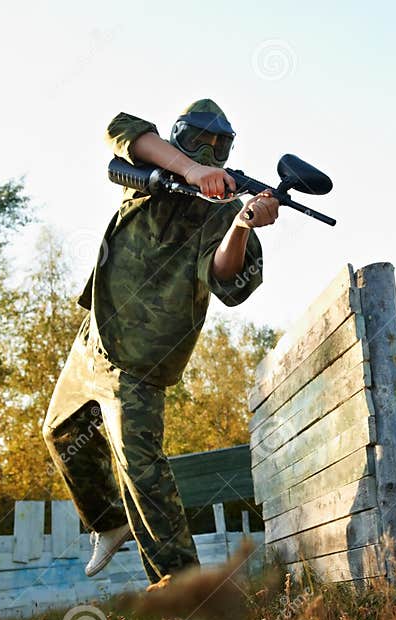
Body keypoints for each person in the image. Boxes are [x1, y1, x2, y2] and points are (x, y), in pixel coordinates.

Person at [41, 99, 278, 584]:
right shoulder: (153, 173)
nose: (208, 151)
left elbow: (226, 278)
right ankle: (109, 522)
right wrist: (191, 171)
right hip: (94, 337)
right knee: (60, 432)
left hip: (140, 363)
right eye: (198, 141)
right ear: (179, 137)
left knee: (142, 474)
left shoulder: (219, 212)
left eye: (218, 146)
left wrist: (241, 223)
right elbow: (120, 128)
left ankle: (183, 592)